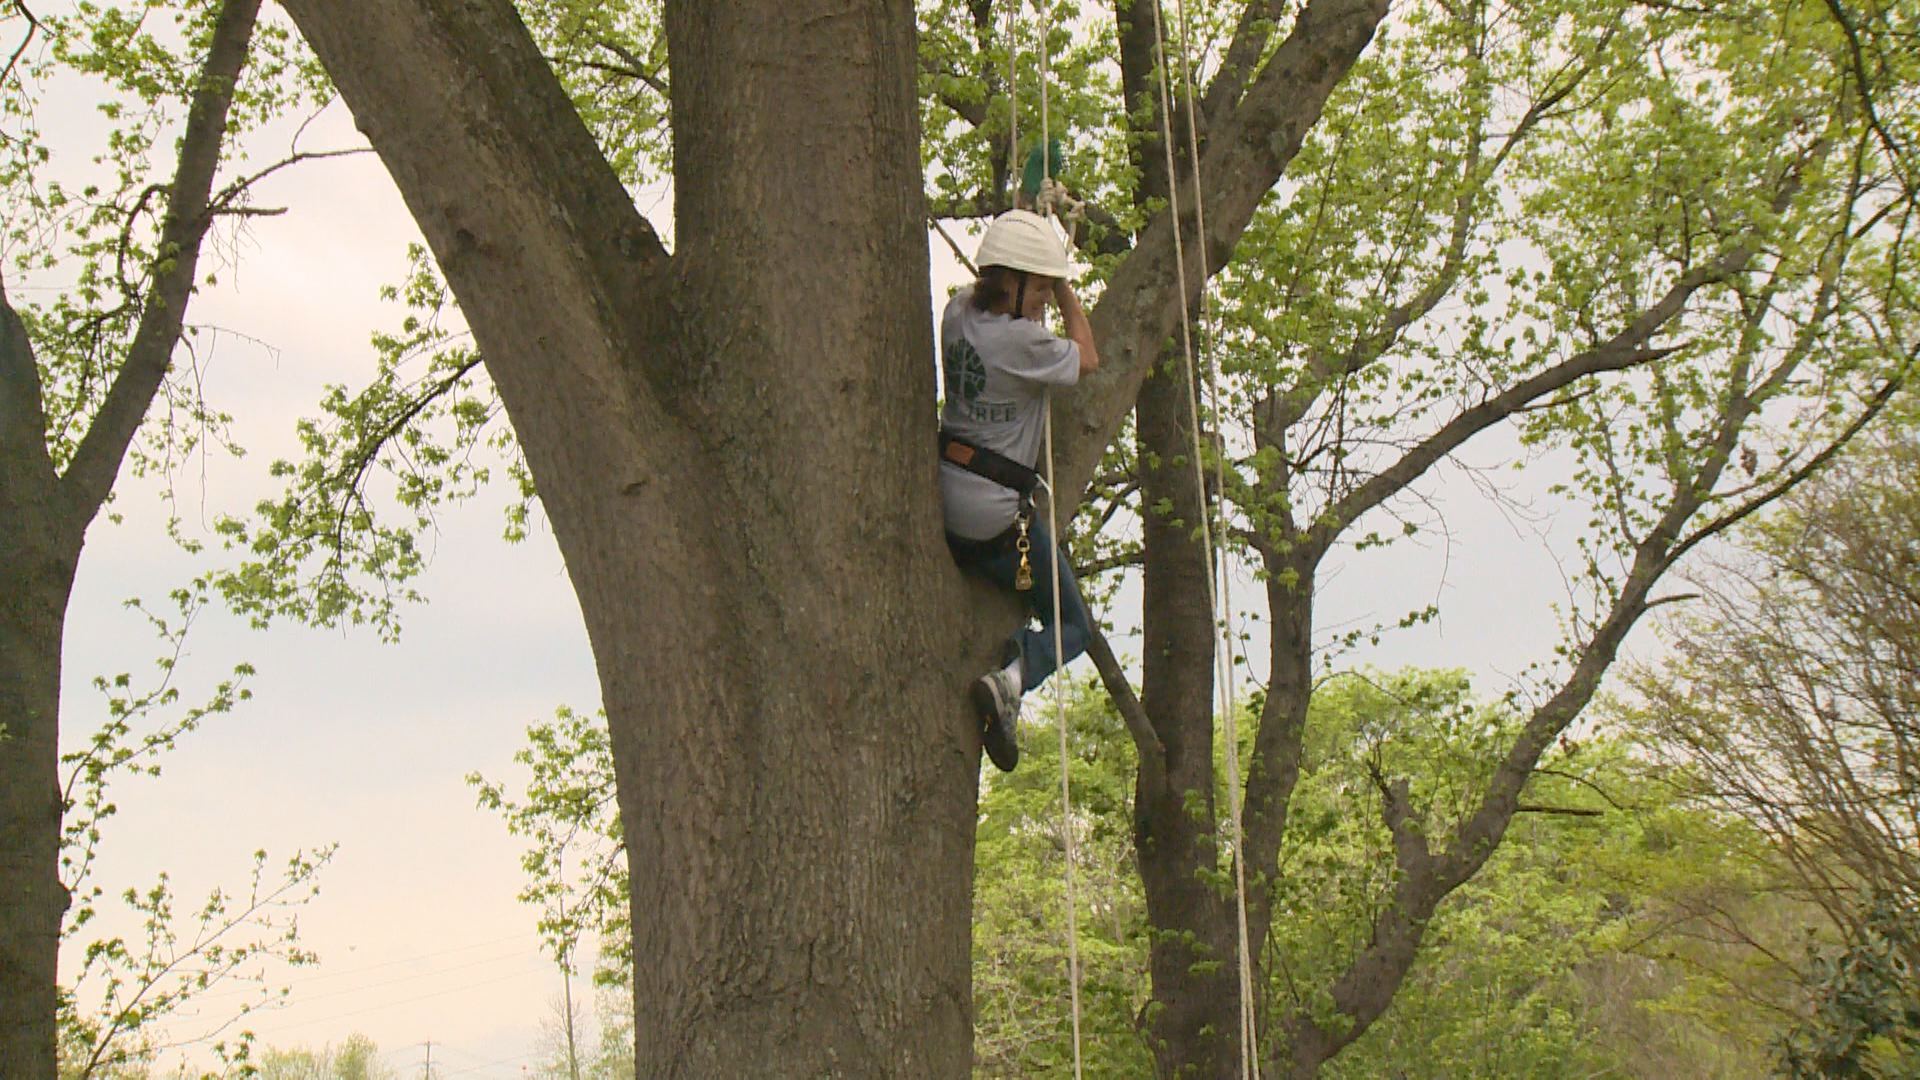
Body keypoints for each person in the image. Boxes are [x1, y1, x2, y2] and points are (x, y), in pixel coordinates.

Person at [939, 209, 1100, 772]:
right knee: (1074, 625)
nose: (1047, 304)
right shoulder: (1025, 344)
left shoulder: (957, 312)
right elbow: (1088, 356)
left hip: (948, 498)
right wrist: (1066, 285)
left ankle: (1007, 679)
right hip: (998, 526)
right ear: (1013, 281)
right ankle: (1010, 680)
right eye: (1040, 291)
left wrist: (1036, 252)